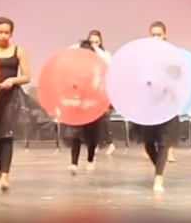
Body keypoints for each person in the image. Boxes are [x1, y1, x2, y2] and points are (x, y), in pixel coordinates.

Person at [128, 21, 181, 191]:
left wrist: (169, 83)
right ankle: (159, 169)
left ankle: (158, 177)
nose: (156, 37)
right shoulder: (145, 55)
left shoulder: (172, 54)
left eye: (159, 34)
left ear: (165, 35)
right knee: (148, 142)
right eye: (153, 34)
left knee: (164, 141)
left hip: (166, 103)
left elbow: (178, 76)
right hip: (149, 103)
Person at [0, 17, 32, 190]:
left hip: (11, 97)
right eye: (0, 32)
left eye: (7, 32)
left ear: (11, 33)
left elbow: (27, 76)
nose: (4, 35)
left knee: (6, 134)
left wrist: (12, 80)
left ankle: (5, 175)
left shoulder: (18, 51)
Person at [62, 38, 110, 174]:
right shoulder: (73, 68)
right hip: (77, 103)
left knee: (92, 134)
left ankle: (90, 158)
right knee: (75, 133)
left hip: (93, 104)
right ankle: (74, 163)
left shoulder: (98, 68)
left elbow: (102, 84)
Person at [71, 30, 116, 156]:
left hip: (101, 92)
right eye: (92, 42)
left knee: (102, 119)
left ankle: (108, 143)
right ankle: (95, 144)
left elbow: (109, 72)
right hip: (86, 93)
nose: (95, 44)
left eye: (97, 42)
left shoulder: (105, 54)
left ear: (100, 42)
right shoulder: (82, 54)